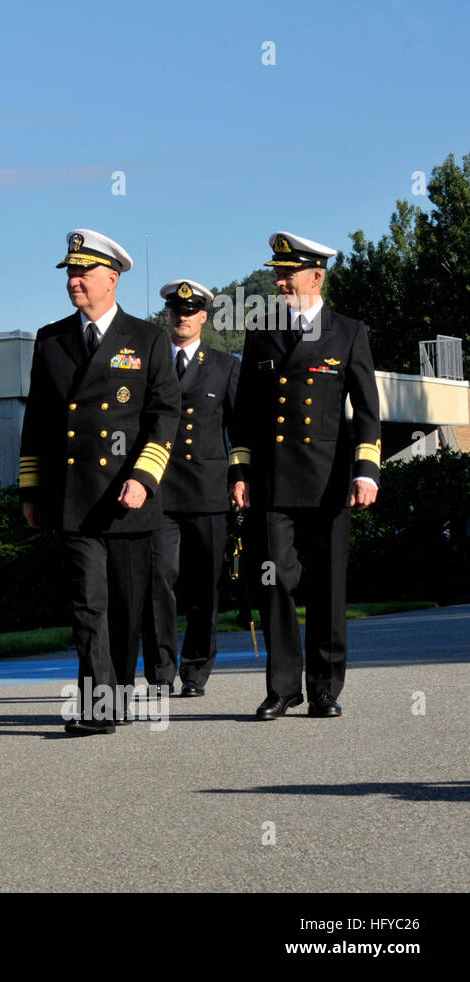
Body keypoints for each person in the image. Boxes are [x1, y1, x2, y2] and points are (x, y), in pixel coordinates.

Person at [19, 229, 180, 735]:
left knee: (128, 606)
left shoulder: (148, 339)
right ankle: (99, 705)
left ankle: (120, 691)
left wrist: (144, 477)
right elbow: (39, 422)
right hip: (73, 496)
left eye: (83, 273)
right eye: (70, 273)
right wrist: (31, 488)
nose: (74, 281)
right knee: (89, 603)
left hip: (128, 497)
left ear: (111, 279)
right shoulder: (51, 340)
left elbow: (164, 415)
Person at [229, 232, 381, 720]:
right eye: (277, 273)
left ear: (316, 276)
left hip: (329, 482)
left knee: (328, 588)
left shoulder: (348, 332)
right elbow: (245, 414)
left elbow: (367, 412)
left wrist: (366, 472)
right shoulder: (261, 333)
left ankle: (324, 688)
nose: (279, 282)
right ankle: (282, 688)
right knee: (274, 582)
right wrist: (241, 472)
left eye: (287, 274)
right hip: (273, 484)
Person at [142, 279, 238, 698]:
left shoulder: (225, 365)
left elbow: (240, 429)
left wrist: (240, 478)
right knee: (158, 580)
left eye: (190, 311)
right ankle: (161, 670)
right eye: (175, 311)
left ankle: (196, 670)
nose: (182, 317)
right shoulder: (150, 362)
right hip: (159, 491)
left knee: (204, 586)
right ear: (167, 315)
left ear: (202, 317)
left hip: (208, 490)